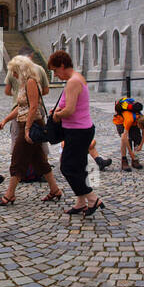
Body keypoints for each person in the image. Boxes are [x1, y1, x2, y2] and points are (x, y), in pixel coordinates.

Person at [0, 54, 56, 205]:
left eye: (15, 71)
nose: (13, 75)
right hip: (27, 123)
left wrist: (27, 129)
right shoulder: (24, 83)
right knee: (39, 160)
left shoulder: (31, 82)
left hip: (31, 124)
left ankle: (9, 194)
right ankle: (55, 190)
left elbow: (33, 107)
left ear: (21, 70)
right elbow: (21, 107)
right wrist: (5, 120)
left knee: (17, 159)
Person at [49, 50, 101, 215]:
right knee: (78, 167)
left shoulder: (73, 82)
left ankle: (92, 199)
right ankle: (81, 202)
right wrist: (58, 110)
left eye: (55, 71)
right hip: (80, 129)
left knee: (68, 167)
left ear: (63, 66)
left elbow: (70, 110)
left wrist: (57, 115)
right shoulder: (77, 78)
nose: (56, 75)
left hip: (78, 131)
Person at [109, 93, 144, 171]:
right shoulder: (129, 120)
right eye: (140, 127)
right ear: (139, 123)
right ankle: (124, 160)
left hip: (133, 122)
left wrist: (141, 145)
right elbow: (124, 138)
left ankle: (135, 159)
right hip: (120, 121)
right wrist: (131, 153)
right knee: (127, 140)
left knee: (137, 138)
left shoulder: (142, 118)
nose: (140, 128)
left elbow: (143, 133)